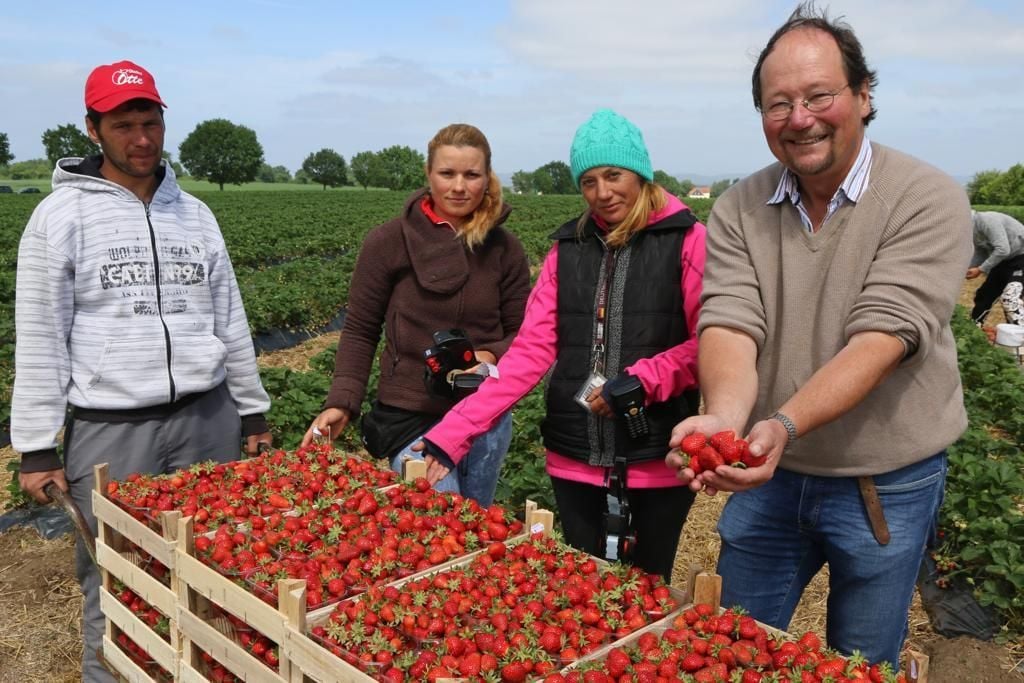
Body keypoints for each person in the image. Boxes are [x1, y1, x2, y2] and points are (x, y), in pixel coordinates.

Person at [665, 3, 972, 667]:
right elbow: (731, 319)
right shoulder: (739, 206)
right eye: (778, 103)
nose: (798, 117)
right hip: (767, 477)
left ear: (863, 96)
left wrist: (783, 423)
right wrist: (721, 415)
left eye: (818, 95)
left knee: (856, 661)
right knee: (734, 650)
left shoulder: (926, 197)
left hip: (883, 480)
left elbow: (883, 338)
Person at [11, 61, 272, 681]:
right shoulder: (60, 217)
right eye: (123, 124)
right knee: (115, 573)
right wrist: (36, 448)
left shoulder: (196, 216)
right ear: (93, 129)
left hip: (208, 419)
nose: (141, 139)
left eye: (149, 122)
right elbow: (42, 335)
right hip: (112, 428)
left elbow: (229, 318)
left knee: (220, 563)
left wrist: (252, 408)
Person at [417, 109, 707, 582]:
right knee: (582, 595)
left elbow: (711, 344)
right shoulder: (568, 250)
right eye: (588, 181)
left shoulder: (690, 241)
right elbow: (528, 354)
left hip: (656, 456)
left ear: (640, 172)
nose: (602, 192)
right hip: (574, 460)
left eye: (613, 175)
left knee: (648, 596)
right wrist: (454, 434)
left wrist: (643, 379)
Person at [301, 123, 530, 507]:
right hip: (410, 413)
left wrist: (488, 357)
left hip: (481, 416)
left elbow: (523, 334)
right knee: (439, 518)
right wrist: (342, 401)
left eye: (471, 175)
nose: (459, 186)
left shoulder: (505, 249)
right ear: (428, 175)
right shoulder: (388, 242)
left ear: (487, 179)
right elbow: (359, 330)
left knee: (475, 522)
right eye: (447, 173)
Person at [967, 209, 1024, 325]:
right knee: (984, 296)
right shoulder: (972, 229)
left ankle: (1018, 336)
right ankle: (974, 328)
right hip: (1005, 260)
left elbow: (1003, 249)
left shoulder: (987, 221)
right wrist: (967, 269)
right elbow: (981, 253)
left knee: (1010, 298)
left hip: (1021, 257)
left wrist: (980, 269)